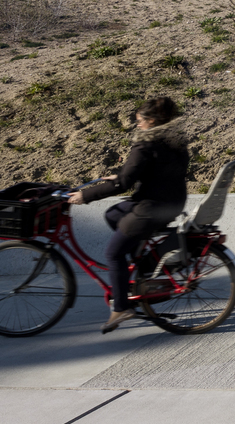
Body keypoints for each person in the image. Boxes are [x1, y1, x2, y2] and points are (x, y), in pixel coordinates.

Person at [70, 94, 190, 331]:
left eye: (140, 120)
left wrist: (85, 195)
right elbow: (156, 171)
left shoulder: (145, 144)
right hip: (172, 202)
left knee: (113, 253)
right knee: (113, 214)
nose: (138, 124)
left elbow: (123, 184)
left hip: (151, 208)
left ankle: (122, 308)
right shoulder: (175, 141)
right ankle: (136, 266)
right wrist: (122, 176)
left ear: (152, 121)